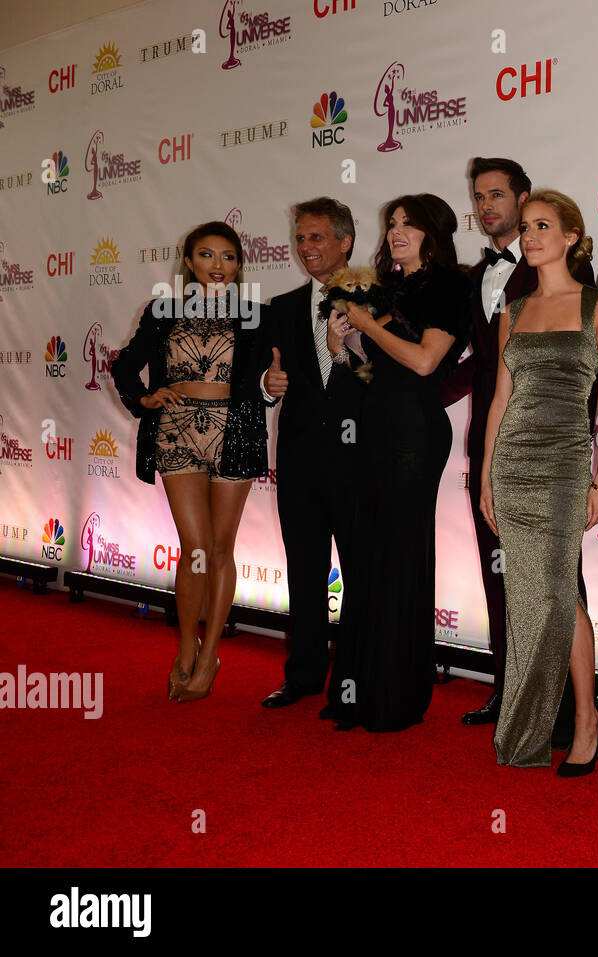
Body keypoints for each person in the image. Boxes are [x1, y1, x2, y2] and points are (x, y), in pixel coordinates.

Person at [440, 158, 594, 729]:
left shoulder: (563, 278)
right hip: (493, 440)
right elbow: (481, 363)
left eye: (498, 196)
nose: (487, 207)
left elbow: (585, 369)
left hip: (553, 444)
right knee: (499, 573)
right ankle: (513, 694)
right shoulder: (476, 275)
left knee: (558, 580)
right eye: (478, 197)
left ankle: (570, 712)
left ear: (525, 199)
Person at [479, 189, 598, 774]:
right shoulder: (512, 312)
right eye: (526, 227)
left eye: (544, 226)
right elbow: (498, 401)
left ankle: (584, 719)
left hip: (566, 466)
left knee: (560, 593)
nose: (531, 236)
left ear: (570, 237)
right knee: (532, 598)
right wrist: (487, 478)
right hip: (512, 466)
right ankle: (561, 720)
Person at [326, 195, 473, 732]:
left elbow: (425, 360)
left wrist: (367, 322)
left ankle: (395, 697)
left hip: (414, 431)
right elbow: (370, 366)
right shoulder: (385, 289)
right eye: (391, 223)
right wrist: (344, 343)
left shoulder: (451, 285)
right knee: (367, 555)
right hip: (372, 426)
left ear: (432, 232)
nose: (396, 232)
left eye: (408, 224)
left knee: (401, 557)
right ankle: (357, 690)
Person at [111, 221, 269, 702]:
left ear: (240, 264)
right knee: (195, 546)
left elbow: (272, 378)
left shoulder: (257, 315)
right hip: (177, 431)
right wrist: (145, 398)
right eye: (207, 255)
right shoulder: (162, 312)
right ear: (190, 261)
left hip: (234, 432)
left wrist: (271, 388)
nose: (217, 266)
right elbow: (123, 364)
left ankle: (211, 656)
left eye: (228, 256)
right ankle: (186, 647)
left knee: (221, 548)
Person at [258, 198, 364, 712]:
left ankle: (354, 680)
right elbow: (261, 382)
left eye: (317, 237)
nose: (306, 248)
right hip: (300, 460)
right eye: (301, 238)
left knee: (362, 573)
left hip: (360, 460)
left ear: (345, 241)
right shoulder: (280, 309)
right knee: (303, 571)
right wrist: (266, 384)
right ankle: (301, 675)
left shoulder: (377, 299)